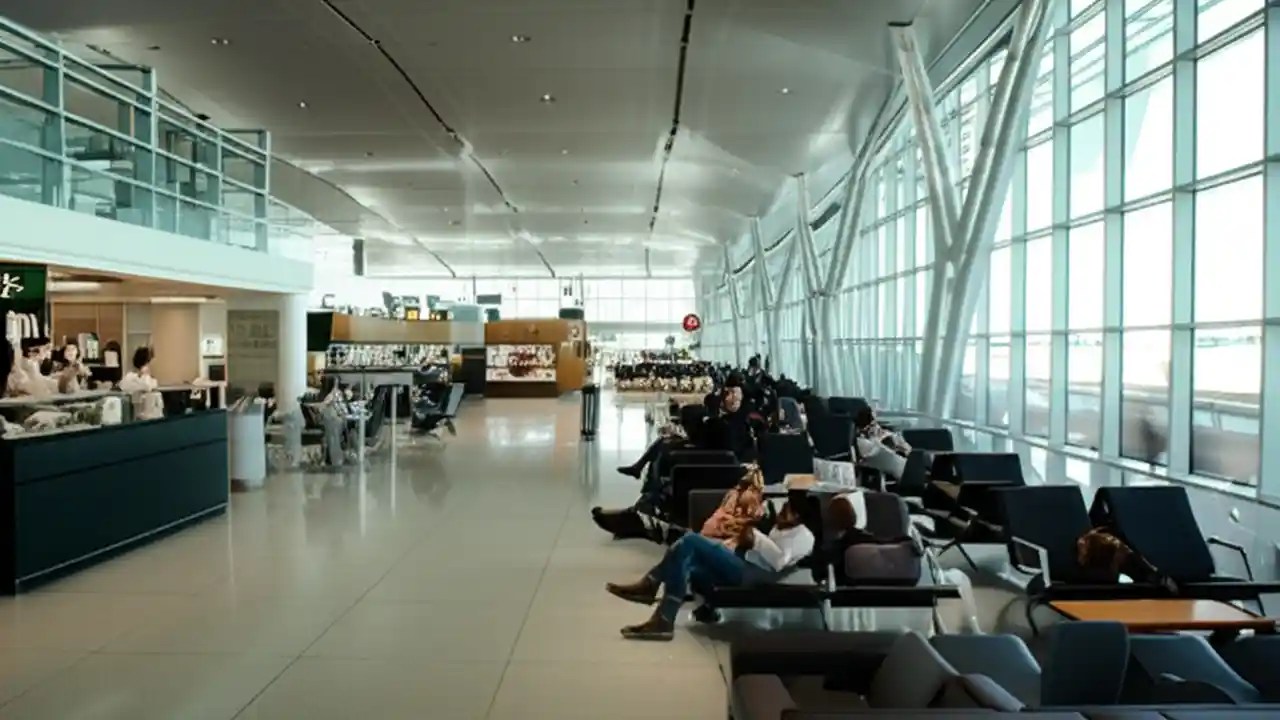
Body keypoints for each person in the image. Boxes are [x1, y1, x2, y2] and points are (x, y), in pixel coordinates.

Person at [605, 499, 815, 641]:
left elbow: (779, 561)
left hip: (747, 573)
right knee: (685, 561)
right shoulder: (782, 527)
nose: (780, 512)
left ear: (797, 517)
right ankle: (663, 619)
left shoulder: (804, 536)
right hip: (741, 561)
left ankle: (651, 585)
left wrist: (757, 539)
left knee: (690, 541)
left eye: (786, 510)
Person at [852, 406, 912, 480]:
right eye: (872, 424)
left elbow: (908, 450)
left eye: (876, 423)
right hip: (903, 473)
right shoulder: (863, 443)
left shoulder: (889, 435)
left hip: (908, 466)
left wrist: (900, 446)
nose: (877, 427)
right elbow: (886, 457)